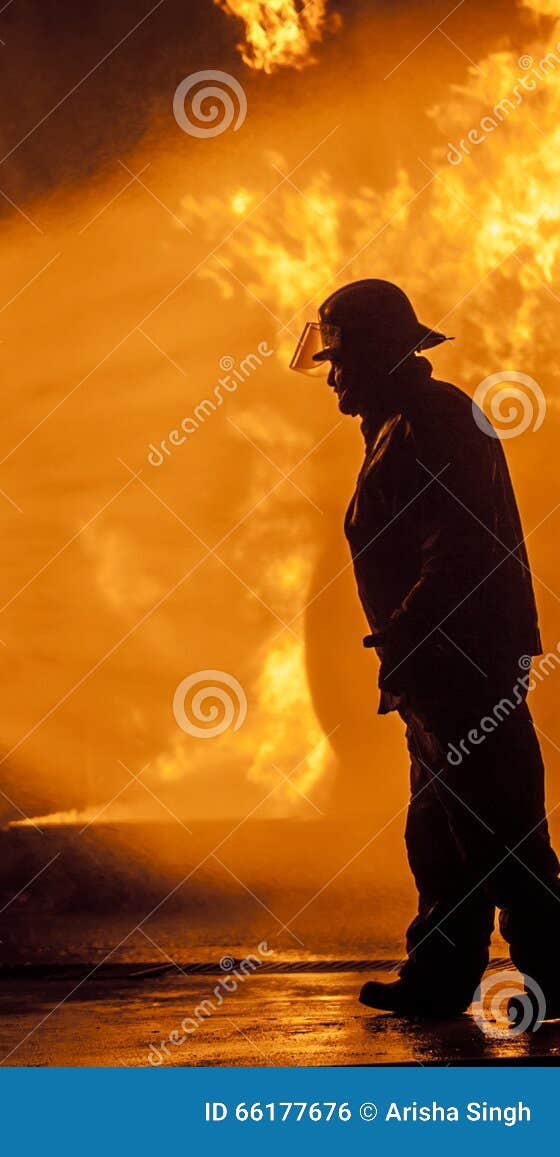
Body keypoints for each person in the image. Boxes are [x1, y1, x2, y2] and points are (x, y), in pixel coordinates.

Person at [291, 278, 560, 1019]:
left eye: (341, 360)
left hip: (461, 666)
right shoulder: (404, 422)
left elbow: (459, 546)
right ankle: (441, 974)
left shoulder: (431, 422)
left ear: (377, 353)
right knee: (441, 831)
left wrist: (410, 626)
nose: (332, 378)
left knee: (501, 830)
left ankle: (556, 969)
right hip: (436, 669)